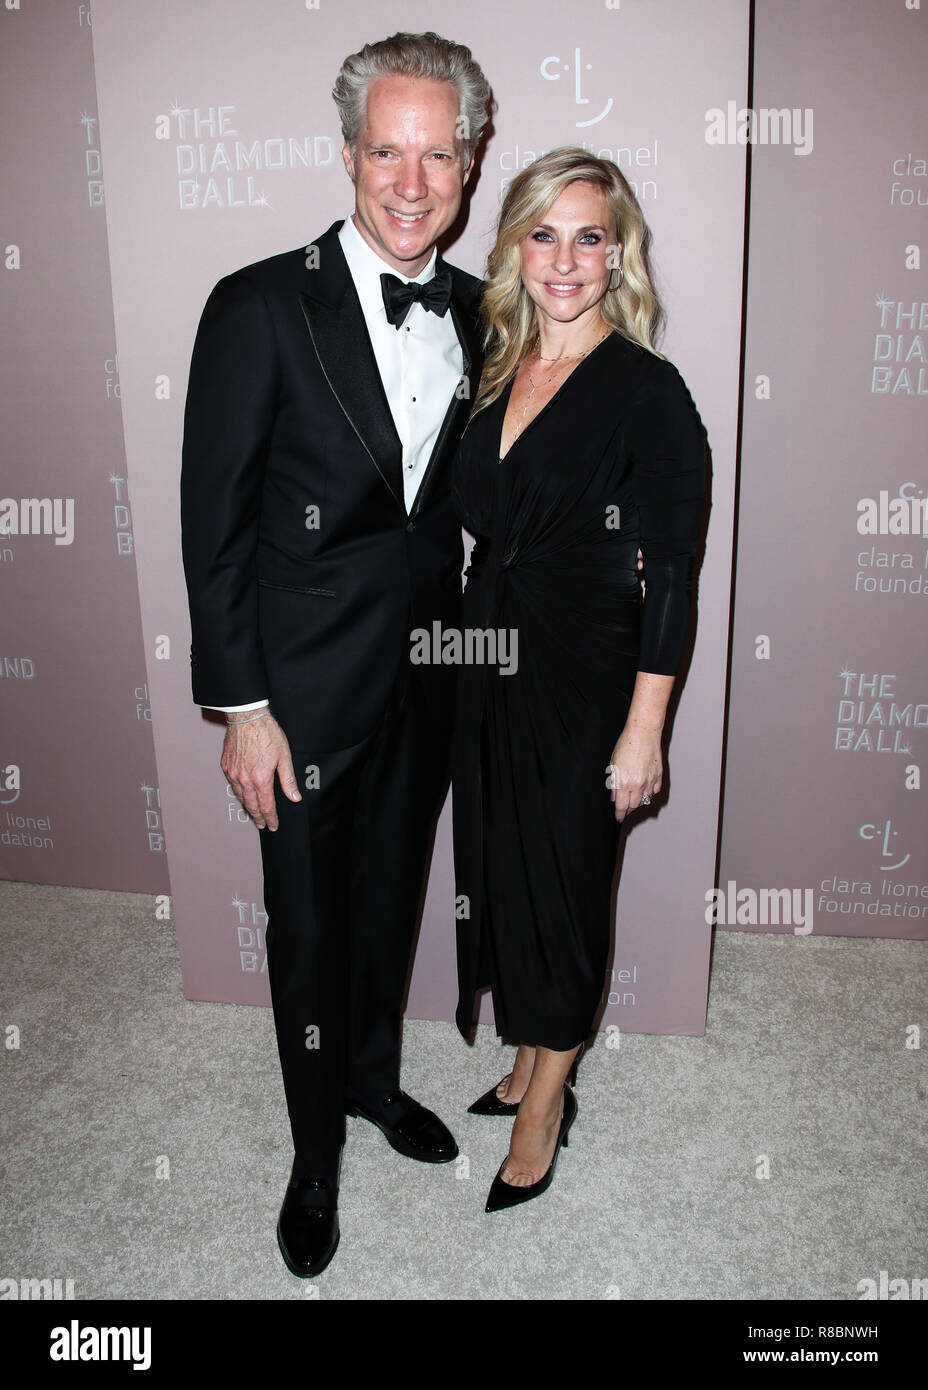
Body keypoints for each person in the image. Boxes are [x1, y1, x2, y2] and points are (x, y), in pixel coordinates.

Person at [180, 32, 492, 1276]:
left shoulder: (481, 310)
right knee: (307, 929)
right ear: (348, 153)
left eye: (437, 155)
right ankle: (316, 1153)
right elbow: (215, 526)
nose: (410, 183)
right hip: (299, 693)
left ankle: (369, 1082)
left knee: (386, 907)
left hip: (424, 676)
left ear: (468, 166)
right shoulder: (258, 304)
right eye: (385, 152)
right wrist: (240, 706)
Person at [451, 147, 707, 1212]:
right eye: (541, 233)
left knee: (560, 878)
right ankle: (524, 1047)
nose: (564, 257)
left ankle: (551, 1094)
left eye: (588, 235)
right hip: (484, 653)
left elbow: (674, 577)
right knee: (499, 862)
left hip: (588, 667)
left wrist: (643, 730)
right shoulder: (493, 359)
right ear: (514, 245)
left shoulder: (647, 391)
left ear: (619, 253)